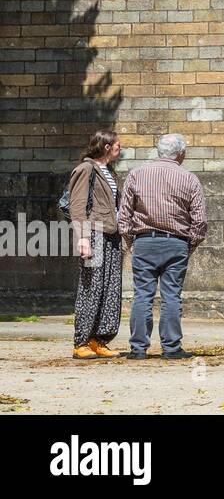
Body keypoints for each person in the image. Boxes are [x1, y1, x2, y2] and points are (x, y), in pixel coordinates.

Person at [117, 133, 207, 359]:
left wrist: (130, 243)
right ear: (182, 154)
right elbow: (199, 220)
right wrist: (190, 245)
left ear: (158, 151)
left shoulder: (137, 174)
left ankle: (138, 348)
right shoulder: (189, 178)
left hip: (144, 241)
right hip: (176, 242)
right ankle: (171, 347)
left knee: (142, 296)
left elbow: (124, 215)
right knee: (172, 296)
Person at [69, 130, 123, 360]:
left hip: (111, 235)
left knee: (110, 288)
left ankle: (98, 339)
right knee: (91, 288)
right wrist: (82, 238)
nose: (120, 148)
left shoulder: (108, 171)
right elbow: (78, 205)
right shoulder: (86, 169)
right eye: (117, 144)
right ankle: (81, 341)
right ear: (106, 146)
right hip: (94, 234)